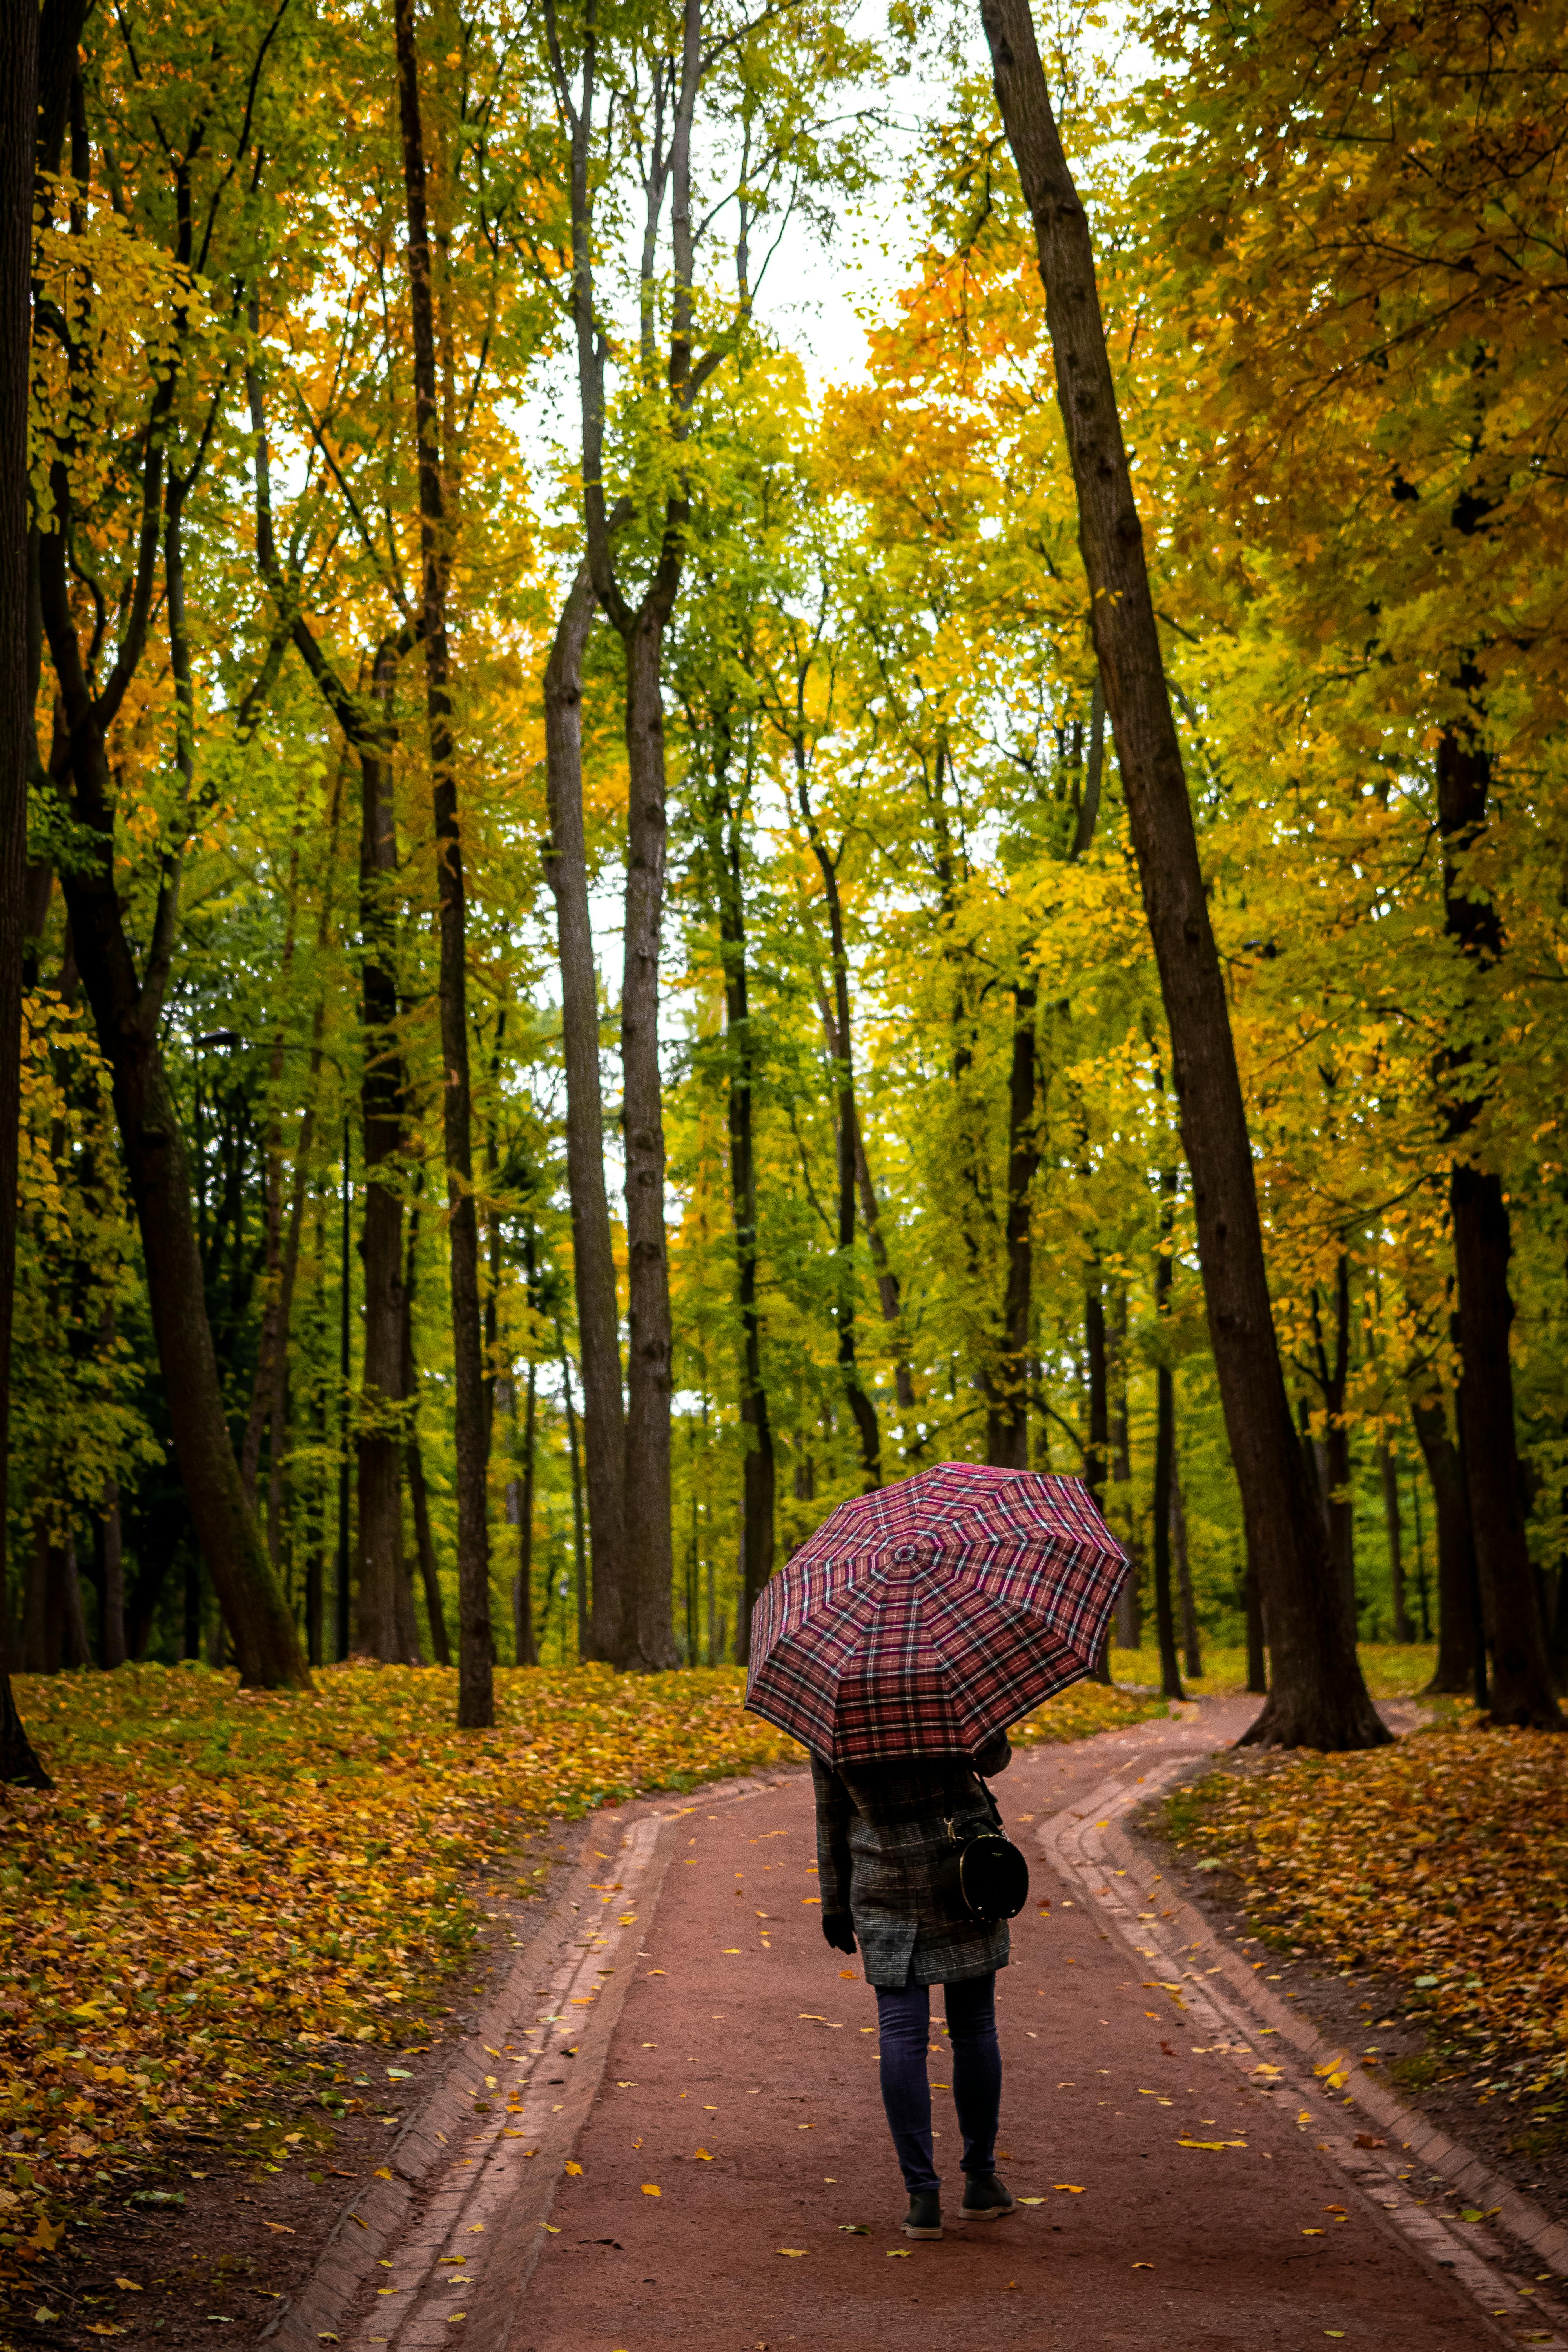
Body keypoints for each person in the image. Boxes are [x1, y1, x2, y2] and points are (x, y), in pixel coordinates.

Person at [811, 1726, 1016, 2239]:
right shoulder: (950, 1682)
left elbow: (830, 1813)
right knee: (973, 2030)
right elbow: (994, 1761)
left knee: (902, 2036)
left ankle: (922, 2197)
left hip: (884, 1880)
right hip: (964, 1874)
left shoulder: (833, 1708)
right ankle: (981, 2181)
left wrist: (834, 1902)